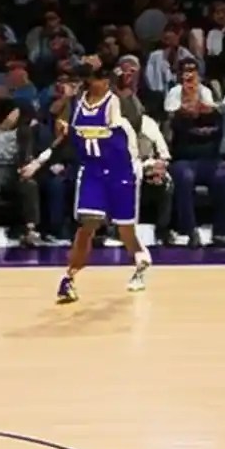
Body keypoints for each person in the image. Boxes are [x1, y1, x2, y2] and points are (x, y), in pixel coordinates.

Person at [53, 59, 152, 304]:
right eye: (91, 78)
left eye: (99, 77)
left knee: (125, 229)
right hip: (93, 170)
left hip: (121, 170)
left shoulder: (118, 103)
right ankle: (69, 277)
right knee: (87, 224)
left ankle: (141, 261)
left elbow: (132, 125)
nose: (96, 82)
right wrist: (62, 130)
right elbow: (62, 130)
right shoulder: (75, 103)